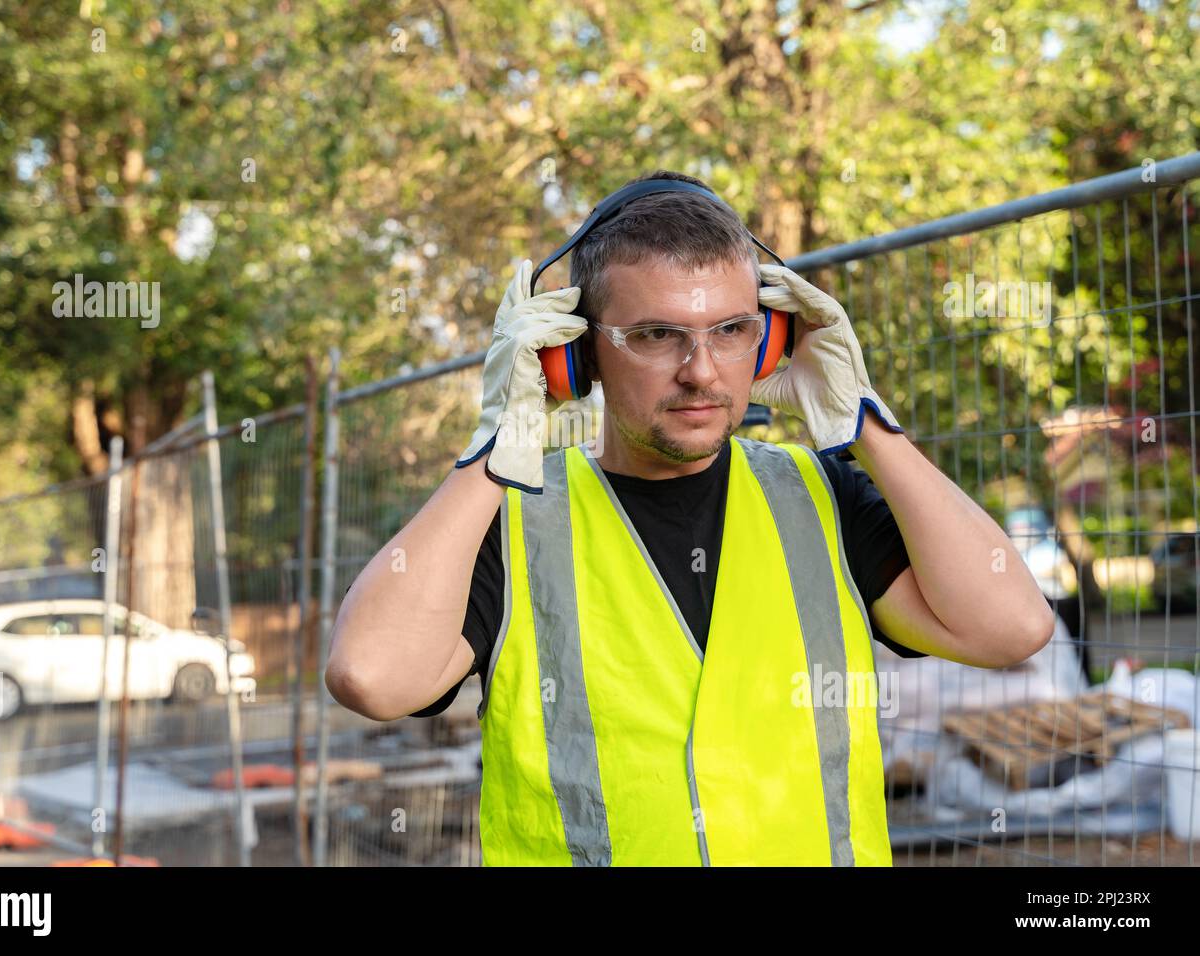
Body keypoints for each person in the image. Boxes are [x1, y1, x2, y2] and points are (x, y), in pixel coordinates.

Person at [326, 170, 1055, 866]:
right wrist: (498, 445)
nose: (702, 370)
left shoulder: (825, 496)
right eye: (655, 335)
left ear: (769, 340)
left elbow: (1011, 628)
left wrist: (864, 420)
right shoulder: (512, 521)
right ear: (577, 355)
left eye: (733, 330)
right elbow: (372, 676)